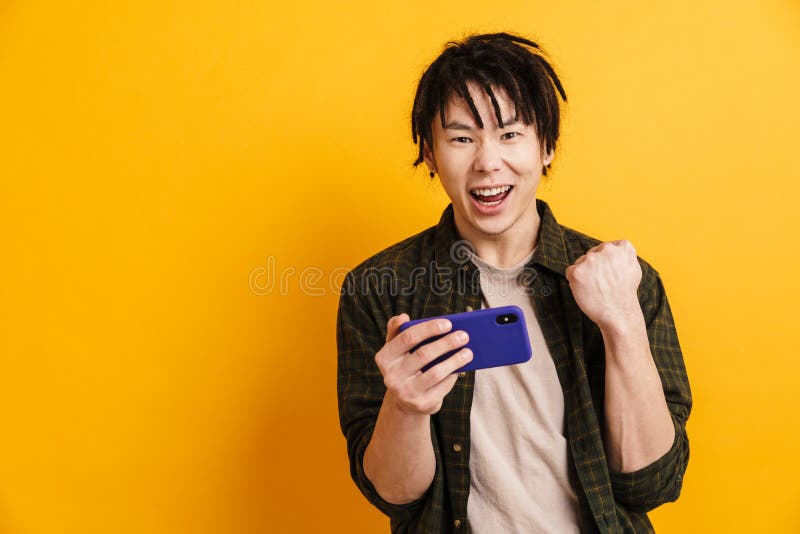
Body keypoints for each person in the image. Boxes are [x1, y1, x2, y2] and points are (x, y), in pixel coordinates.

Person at [336, 32, 691, 533]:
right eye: (461, 138)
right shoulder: (378, 288)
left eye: (510, 134)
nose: (486, 161)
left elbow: (653, 484)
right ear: (430, 154)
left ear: (546, 147)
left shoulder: (625, 280)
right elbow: (394, 497)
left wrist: (623, 324)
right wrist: (405, 407)